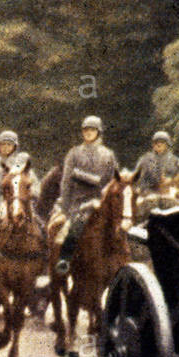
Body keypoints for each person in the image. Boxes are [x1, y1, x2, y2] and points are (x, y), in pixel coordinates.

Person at [54, 116, 120, 276]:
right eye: (86, 130)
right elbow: (66, 182)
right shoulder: (74, 153)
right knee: (76, 226)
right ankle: (65, 260)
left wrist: (105, 197)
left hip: (102, 201)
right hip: (79, 202)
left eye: (92, 130)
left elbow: (114, 180)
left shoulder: (108, 155)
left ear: (98, 132)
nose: (88, 133)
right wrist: (66, 207)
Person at [0, 130, 27, 219]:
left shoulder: (21, 162)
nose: (5, 147)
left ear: (15, 147)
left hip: (17, 201)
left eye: (9, 144)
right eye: (3, 144)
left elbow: (32, 184)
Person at [134, 131, 179, 197]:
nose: (159, 144)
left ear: (167, 145)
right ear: (153, 145)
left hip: (171, 195)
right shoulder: (145, 160)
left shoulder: (176, 161)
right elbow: (136, 180)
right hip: (149, 195)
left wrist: (171, 181)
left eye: (162, 142)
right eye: (156, 142)